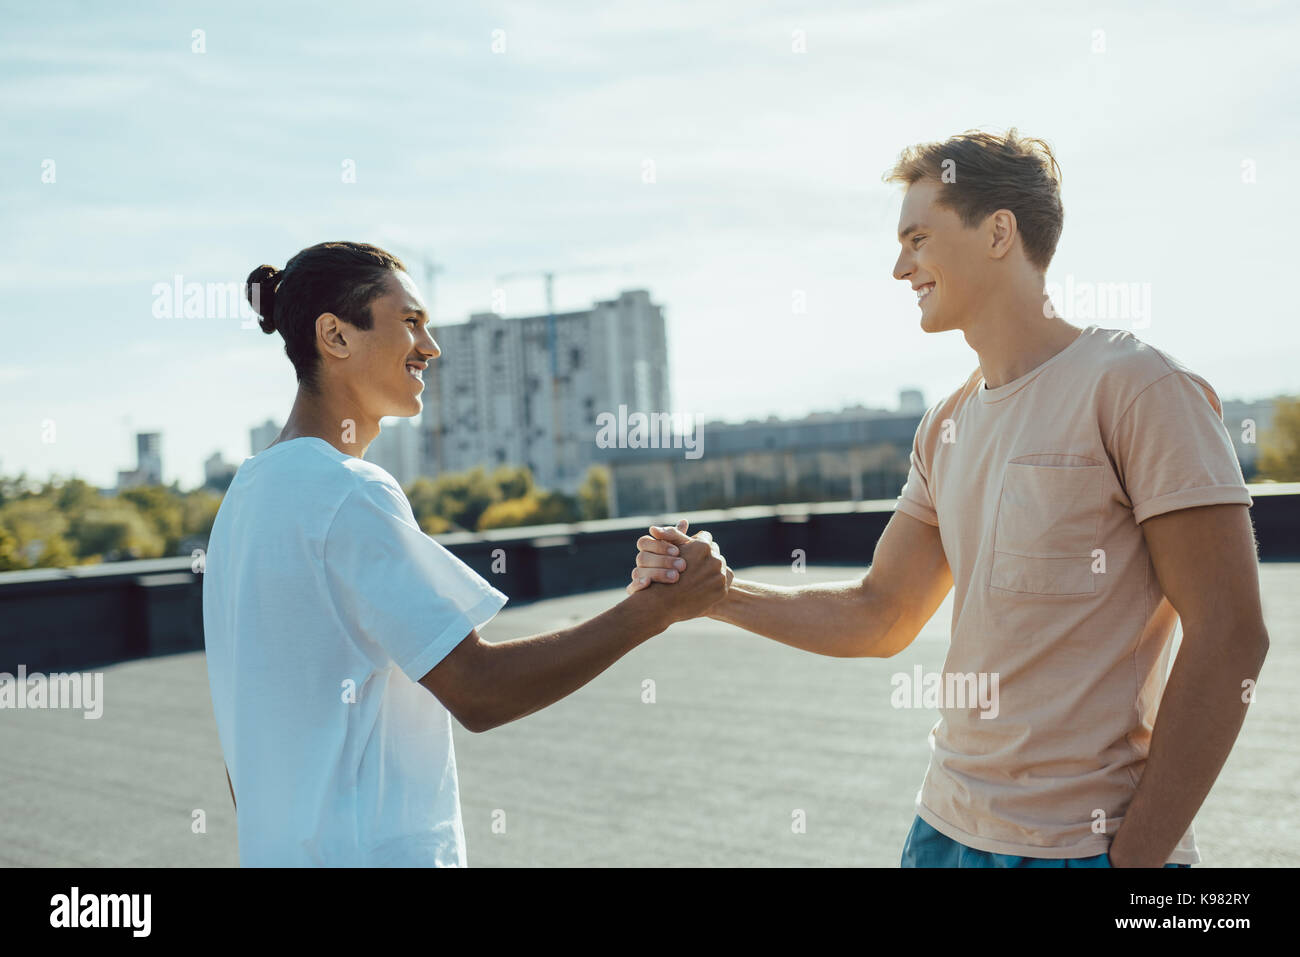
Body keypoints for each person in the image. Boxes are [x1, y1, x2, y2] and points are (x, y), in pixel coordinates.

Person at [628, 129, 1270, 868]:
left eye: (918, 237)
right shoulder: (946, 425)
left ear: (999, 231)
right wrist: (715, 594)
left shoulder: (1138, 387)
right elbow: (882, 612)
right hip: (944, 832)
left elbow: (1230, 637)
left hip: (1082, 847)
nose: (900, 266)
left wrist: (1135, 860)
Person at [203, 241, 730, 866]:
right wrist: (656, 611)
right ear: (335, 336)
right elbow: (479, 690)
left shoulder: (246, 496)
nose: (430, 347)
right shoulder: (348, 491)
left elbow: (245, 750)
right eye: (409, 322)